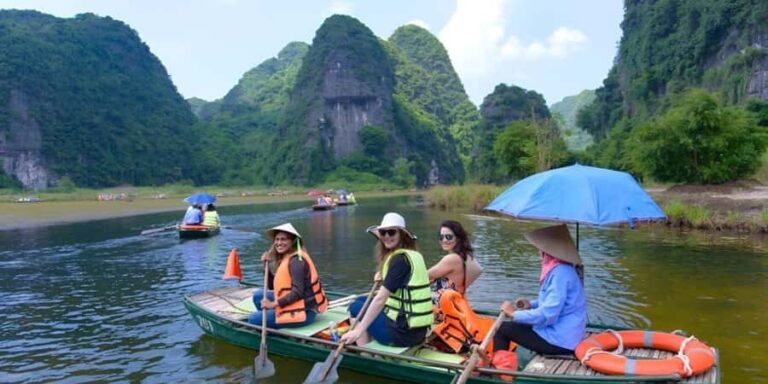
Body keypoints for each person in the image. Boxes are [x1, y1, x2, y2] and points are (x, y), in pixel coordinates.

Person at [493, 224, 587, 370]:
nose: (539, 251)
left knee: (502, 329)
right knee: (512, 325)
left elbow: (548, 315)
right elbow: (556, 303)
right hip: (566, 334)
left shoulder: (560, 273)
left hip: (560, 340)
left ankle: (499, 373)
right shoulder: (563, 269)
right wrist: (531, 304)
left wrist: (514, 314)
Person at [339, 213, 433, 347]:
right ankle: (366, 340)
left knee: (354, 307)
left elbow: (380, 299)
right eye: (383, 233)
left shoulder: (400, 260)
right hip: (417, 331)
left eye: (391, 232)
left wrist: (358, 331)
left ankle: (365, 351)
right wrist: (384, 276)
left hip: (402, 334)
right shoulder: (412, 255)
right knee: (361, 300)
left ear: (402, 234)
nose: (387, 236)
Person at [247, 223, 328, 328]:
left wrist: (273, 304)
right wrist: (265, 266)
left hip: (304, 311)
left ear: (293, 241)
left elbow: (297, 292)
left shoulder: (296, 261)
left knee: (253, 319)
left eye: (283, 239)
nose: (279, 243)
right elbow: (272, 286)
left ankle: (274, 321)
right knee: (259, 295)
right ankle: (272, 320)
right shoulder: (286, 257)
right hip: (294, 303)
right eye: (277, 239)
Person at [429, 220, 483, 305]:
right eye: (441, 237)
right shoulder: (467, 257)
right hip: (457, 304)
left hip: (443, 308)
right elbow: (479, 270)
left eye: (449, 237)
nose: (444, 240)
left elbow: (423, 275)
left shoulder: (452, 259)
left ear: (458, 238)